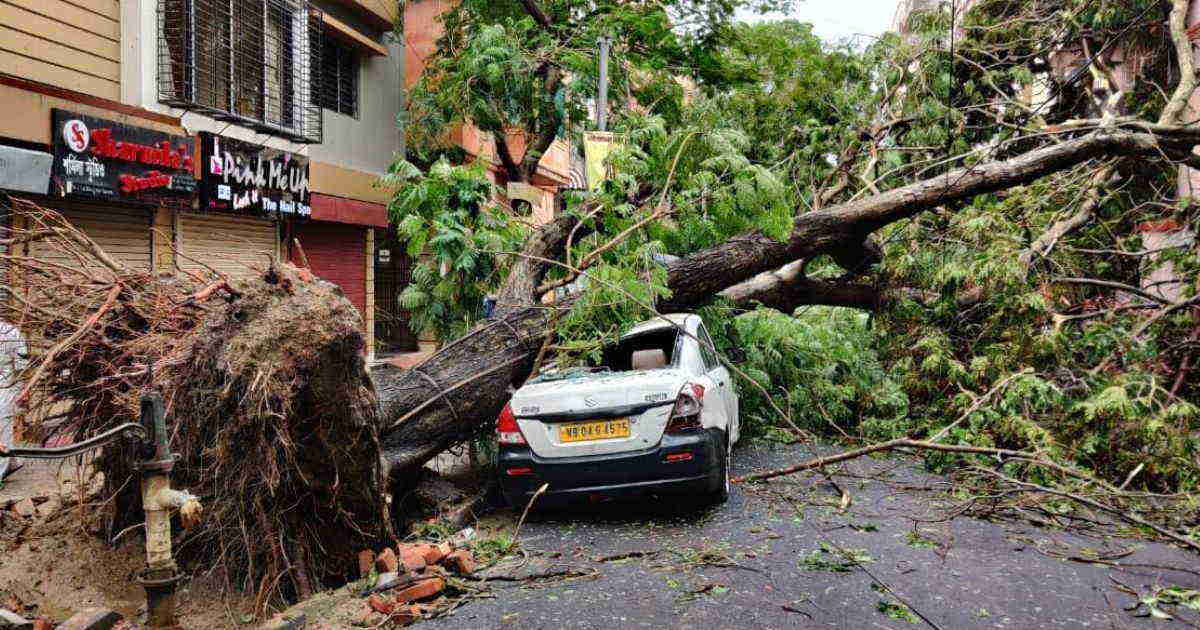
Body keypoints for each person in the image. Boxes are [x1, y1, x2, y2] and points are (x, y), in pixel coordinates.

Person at [0, 320, 27, 480]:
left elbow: (21, 366)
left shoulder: (10, 332)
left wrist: (23, 390)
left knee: (3, 426)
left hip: (6, 384)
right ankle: (12, 463)